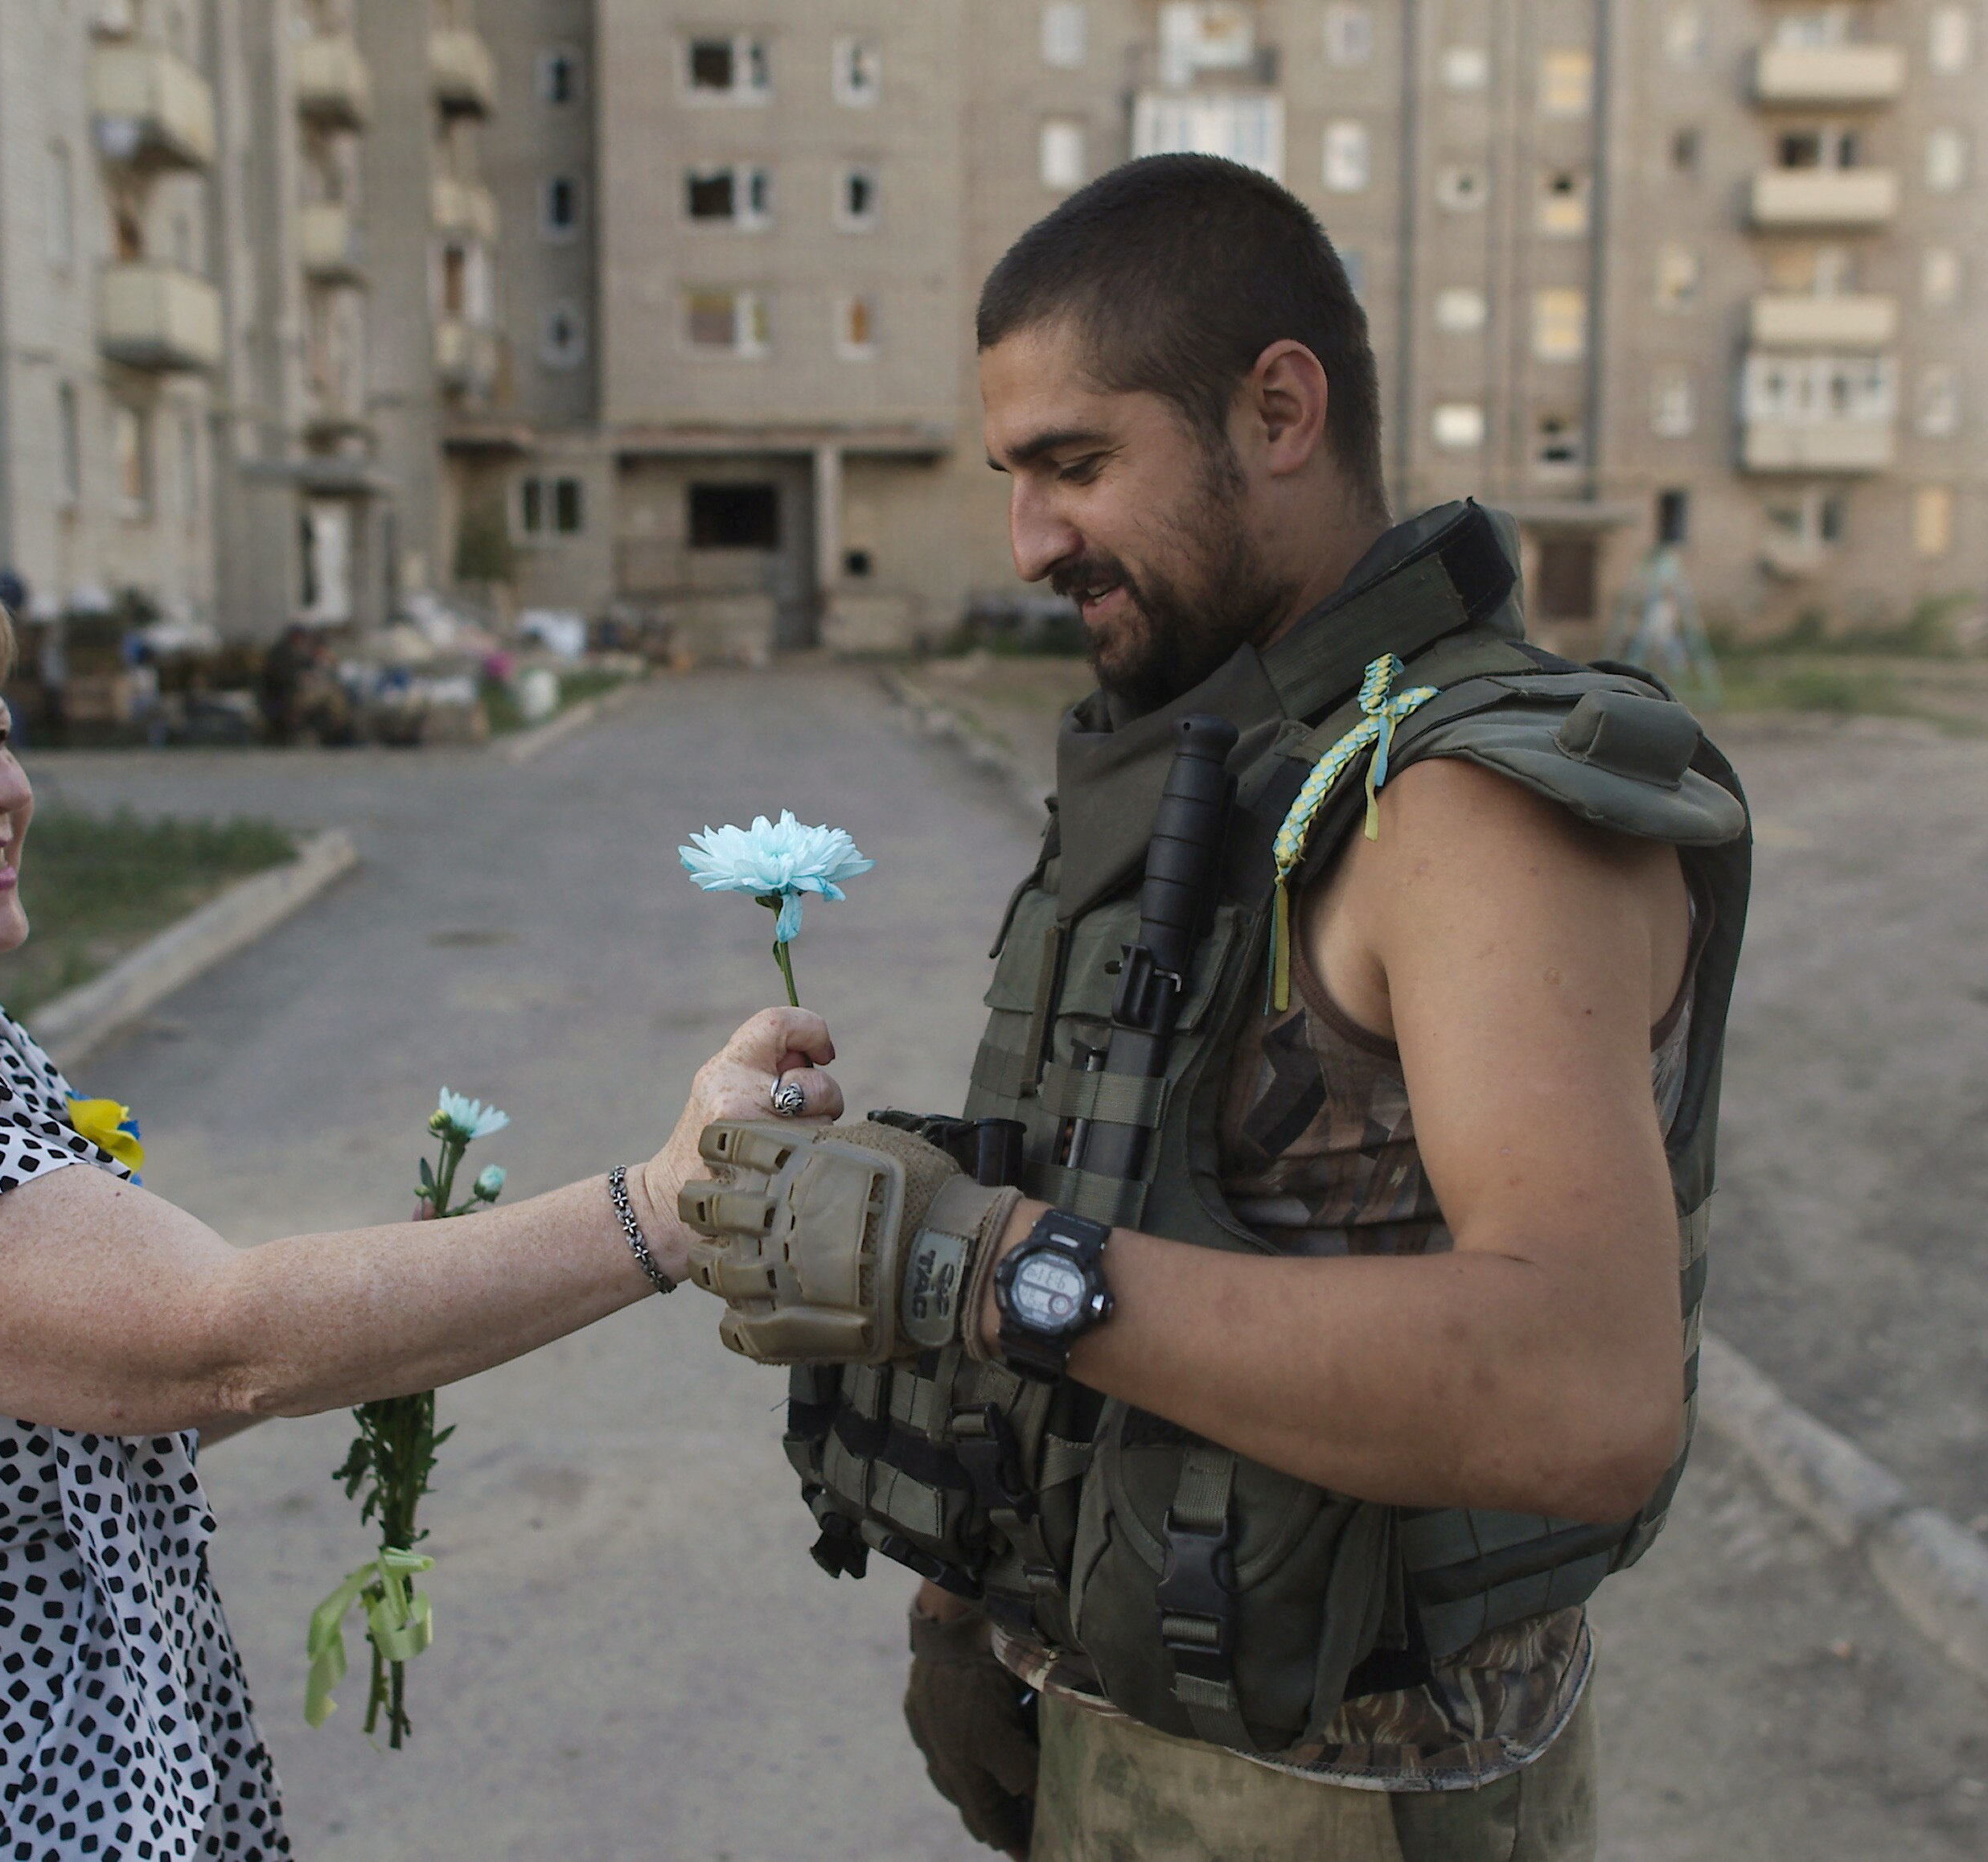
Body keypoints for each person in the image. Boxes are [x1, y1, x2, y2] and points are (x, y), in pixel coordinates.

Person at [678, 154, 1750, 1861]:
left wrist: (970, 1258)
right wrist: (969, 1610)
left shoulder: (1462, 811)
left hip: (1357, 1800)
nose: (1028, 538)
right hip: (1130, 1724)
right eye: (1010, 475)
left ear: (1274, 409)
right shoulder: (1233, 758)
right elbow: (1116, 1173)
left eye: (1074, 463)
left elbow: (1584, 1390)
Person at [0, 512, 837, 1862]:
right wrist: (666, 1206)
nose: (5, 785)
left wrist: (395, 1310)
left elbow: (90, 1405)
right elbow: (216, 1342)